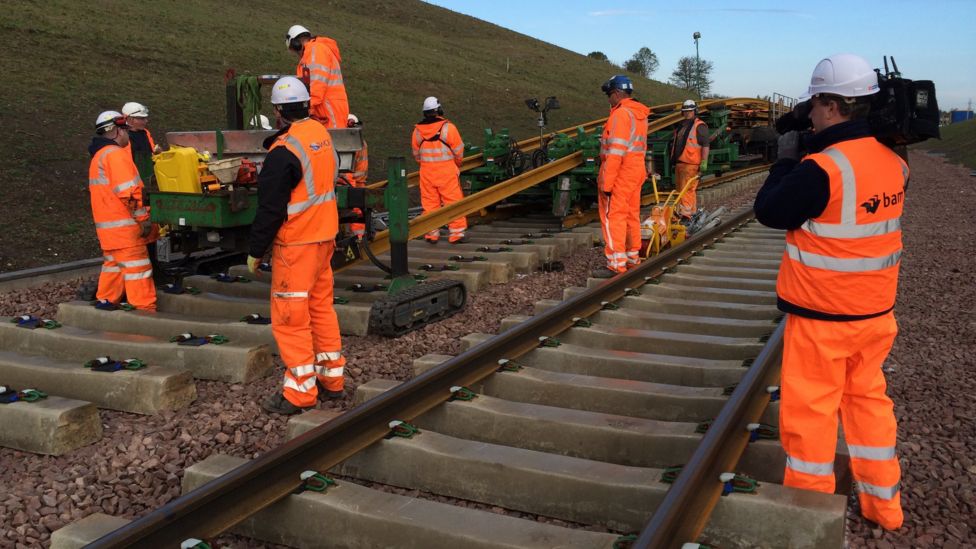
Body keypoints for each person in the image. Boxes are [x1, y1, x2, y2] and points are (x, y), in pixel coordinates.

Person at [753, 53, 909, 531]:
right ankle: (885, 507)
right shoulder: (895, 162)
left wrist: (785, 160)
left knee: (811, 415)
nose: (811, 113)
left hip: (823, 318)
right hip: (875, 313)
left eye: (815, 104)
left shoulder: (823, 168)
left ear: (831, 105)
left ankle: (809, 513)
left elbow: (771, 211)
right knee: (868, 404)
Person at [246, 76, 345, 415]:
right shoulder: (321, 136)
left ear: (277, 111)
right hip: (323, 239)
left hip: (297, 245)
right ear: (306, 105)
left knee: (291, 319)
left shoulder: (283, 150)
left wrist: (255, 251)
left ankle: (300, 393)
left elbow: (271, 209)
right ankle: (332, 380)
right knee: (321, 309)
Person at [87, 111, 157, 311]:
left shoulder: (99, 156)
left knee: (114, 268)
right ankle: (145, 313)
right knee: (138, 271)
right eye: (126, 130)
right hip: (126, 231)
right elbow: (130, 193)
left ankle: (105, 305)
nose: (129, 135)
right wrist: (144, 219)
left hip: (110, 232)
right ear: (118, 131)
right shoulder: (116, 155)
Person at [592, 75, 649, 278]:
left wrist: (606, 183)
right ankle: (632, 257)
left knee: (612, 217)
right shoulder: (639, 114)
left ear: (616, 93)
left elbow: (616, 152)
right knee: (631, 215)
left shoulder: (621, 114)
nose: (608, 100)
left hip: (621, 174)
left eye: (609, 95)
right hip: (635, 172)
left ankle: (616, 263)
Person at [412, 97, 467, 244]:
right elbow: (459, 151)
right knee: (453, 202)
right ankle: (456, 233)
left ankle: (432, 233)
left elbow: (417, 155)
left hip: (427, 173)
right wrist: (456, 164)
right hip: (447, 172)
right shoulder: (449, 128)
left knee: (429, 204)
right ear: (439, 110)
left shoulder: (417, 132)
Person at [285, 24, 349, 129]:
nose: (297, 54)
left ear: (296, 43)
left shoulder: (315, 51)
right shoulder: (315, 51)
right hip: (326, 108)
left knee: (332, 142)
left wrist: (303, 110)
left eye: (294, 49)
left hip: (328, 109)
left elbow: (316, 86)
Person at [670, 99, 710, 220]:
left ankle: (686, 216)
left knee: (687, 191)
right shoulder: (682, 126)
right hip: (680, 164)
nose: (687, 113)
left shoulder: (699, 126)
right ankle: (689, 213)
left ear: (695, 111)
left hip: (691, 164)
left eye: (690, 111)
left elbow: (705, 145)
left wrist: (704, 162)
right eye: (685, 111)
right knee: (680, 191)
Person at [341, 113, 368, 239]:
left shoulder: (345, 144)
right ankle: (359, 238)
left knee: (351, 213)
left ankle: (354, 238)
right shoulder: (360, 142)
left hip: (349, 183)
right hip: (358, 183)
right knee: (358, 213)